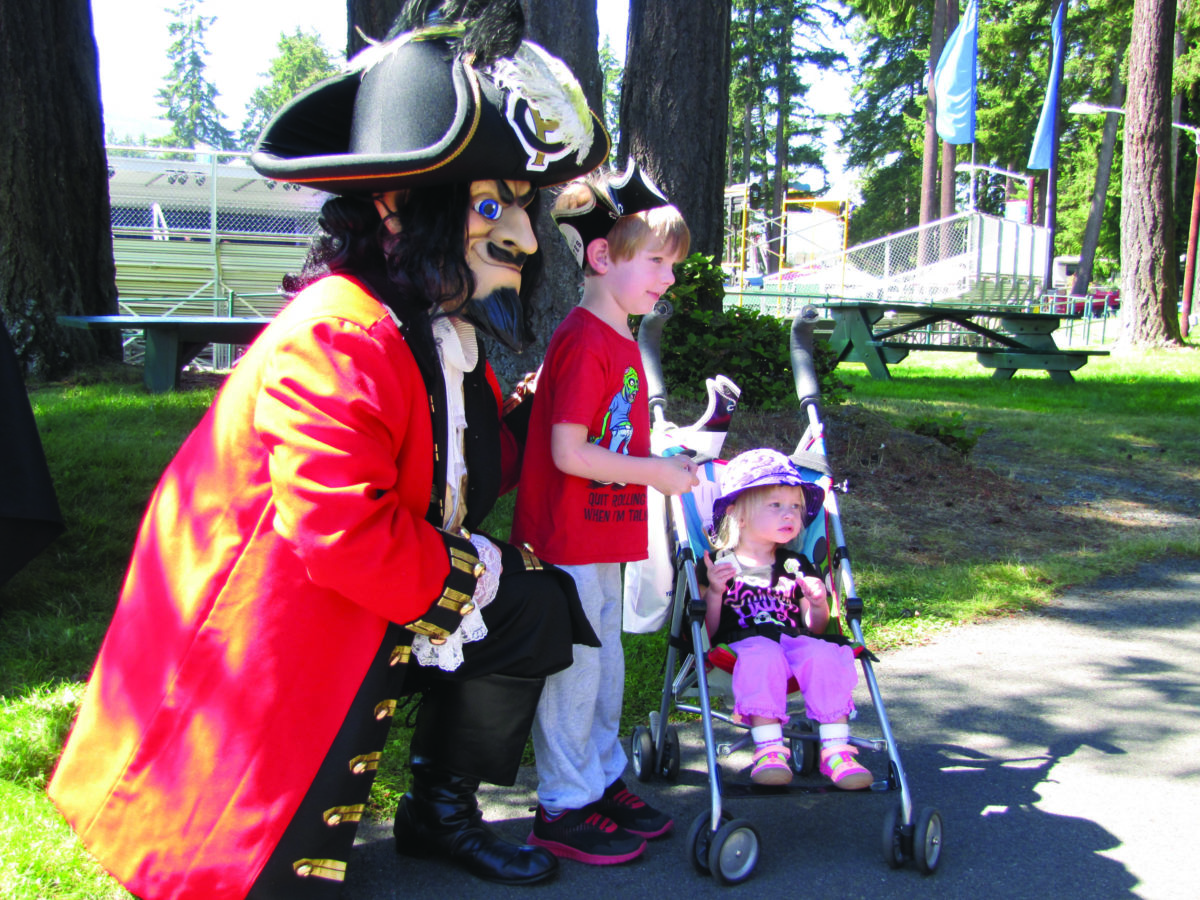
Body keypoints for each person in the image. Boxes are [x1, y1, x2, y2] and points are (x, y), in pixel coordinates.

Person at [46, 2, 612, 897]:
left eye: (524, 207)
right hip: (279, 637)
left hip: (371, 586)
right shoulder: (340, 335)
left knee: (538, 608)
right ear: (396, 207)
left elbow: (457, 479)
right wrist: (475, 579)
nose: (526, 239)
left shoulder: (434, 334)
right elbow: (345, 535)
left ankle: (439, 810)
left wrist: (541, 414)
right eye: (493, 204)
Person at [510, 163, 698, 865]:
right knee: (575, 674)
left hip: (600, 537)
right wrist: (654, 473)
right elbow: (569, 451)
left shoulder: (618, 339)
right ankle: (562, 803)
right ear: (599, 256)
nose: (669, 279)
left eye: (671, 264)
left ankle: (600, 779)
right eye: (657, 261)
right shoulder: (588, 338)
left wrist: (662, 454)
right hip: (566, 541)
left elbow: (614, 435)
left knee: (606, 666)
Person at [702, 448, 873, 790]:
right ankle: (768, 751)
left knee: (825, 652)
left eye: (795, 506)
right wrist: (715, 593)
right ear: (740, 516)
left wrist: (818, 602)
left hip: (795, 644)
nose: (789, 514)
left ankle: (837, 751)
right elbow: (708, 630)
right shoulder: (719, 565)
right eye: (776, 505)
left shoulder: (797, 565)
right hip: (742, 646)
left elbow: (815, 628)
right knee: (763, 653)